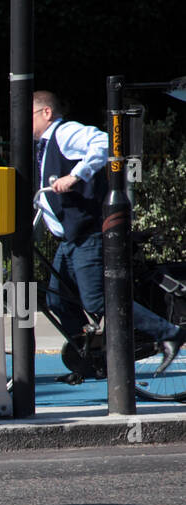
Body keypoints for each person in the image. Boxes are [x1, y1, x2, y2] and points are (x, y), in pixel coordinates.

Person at [33, 90, 186, 366]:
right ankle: (90, 356)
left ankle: (170, 333)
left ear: (46, 113)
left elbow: (105, 142)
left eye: (28, 116)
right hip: (70, 239)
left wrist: (76, 175)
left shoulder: (64, 133)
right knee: (58, 300)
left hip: (88, 234)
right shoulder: (43, 146)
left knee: (97, 301)